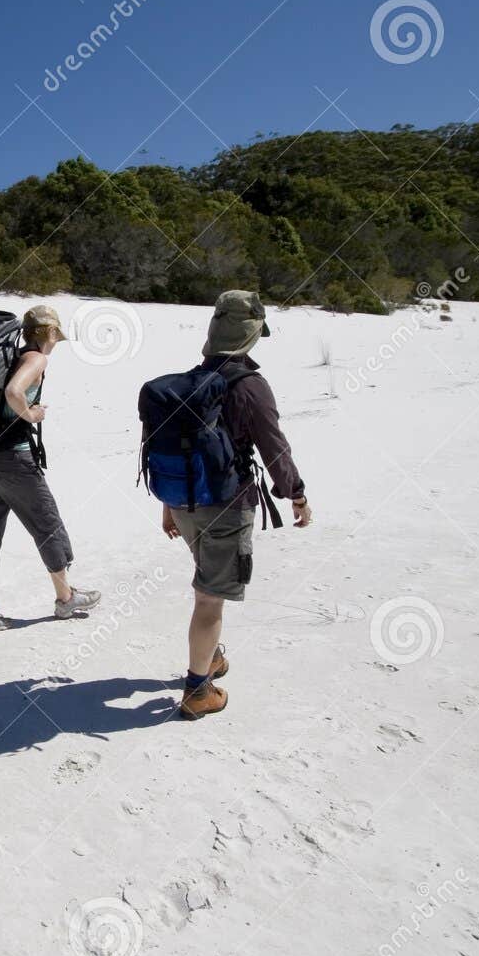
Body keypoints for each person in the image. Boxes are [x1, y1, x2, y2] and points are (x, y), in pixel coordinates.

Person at [161, 290, 311, 720]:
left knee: (208, 580)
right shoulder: (250, 386)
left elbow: (163, 444)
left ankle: (210, 658)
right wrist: (296, 494)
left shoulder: (189, 381)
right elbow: (274, 449)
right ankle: (197, 690)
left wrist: (169, 504)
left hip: (185, 502)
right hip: (225, 504)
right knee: (210, 598)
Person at [0, 303, 100, 638]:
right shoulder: (36, 358)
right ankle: (66, 598)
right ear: (50, 333)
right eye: (56, 334)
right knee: (47, 524)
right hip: (13, 459)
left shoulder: (7, 356)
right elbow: (13, 392)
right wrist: (31, 414)